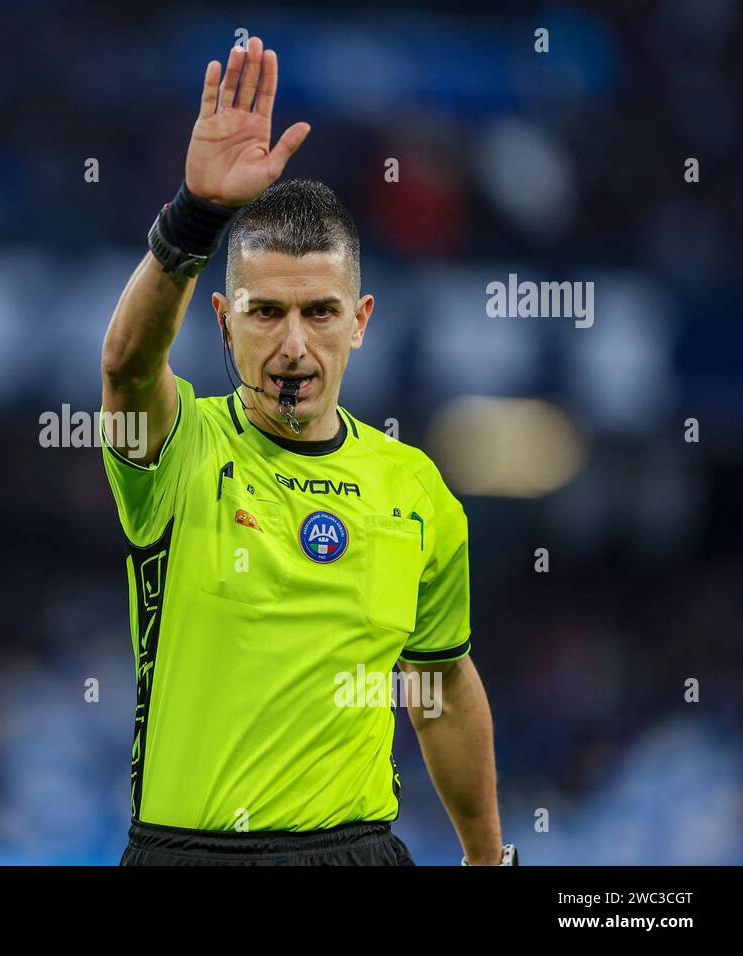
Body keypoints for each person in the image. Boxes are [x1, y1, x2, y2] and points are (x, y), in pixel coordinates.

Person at [99, 35, 514, 866]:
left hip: (354, 852)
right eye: (264, 313)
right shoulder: (179, 448)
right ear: (222, 318)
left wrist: (486, 856)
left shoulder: (415, 488)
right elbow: (126, 364)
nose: (293, 345)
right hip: (187, 853)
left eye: (320, 313)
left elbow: (438, 688)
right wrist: (194, 216)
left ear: (360, 321)